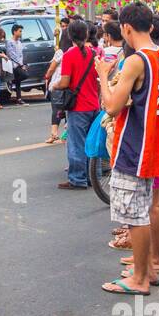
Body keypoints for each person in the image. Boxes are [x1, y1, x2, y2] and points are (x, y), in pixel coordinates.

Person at [99, 3, 159, 295]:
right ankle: (149, 268)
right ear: (151, 26)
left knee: (134, 215)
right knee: (146, 206)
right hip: (155, 141)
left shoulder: (136, 61)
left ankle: (139, 278)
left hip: (134, 146)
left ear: (126, 28)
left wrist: (103, 76)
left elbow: (113, 106)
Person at [54, 19, 99, 190]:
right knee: (91, 143)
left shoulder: (69, 55)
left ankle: (77, 178)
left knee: (76, 143)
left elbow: (65, 82)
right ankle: (91, 177)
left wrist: (54, 85)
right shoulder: (94, 53)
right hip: (94, 104)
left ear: (69, 35)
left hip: (78, 107)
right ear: (87, 34)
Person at [44, 27, 72, 144]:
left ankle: (54, 133)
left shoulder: (60, 52)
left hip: (57, 83)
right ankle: (66, 134)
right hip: (70, 83)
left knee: (56, 109)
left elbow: (51, 68)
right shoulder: (73, 51)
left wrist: (46, 77)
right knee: (69, 108)